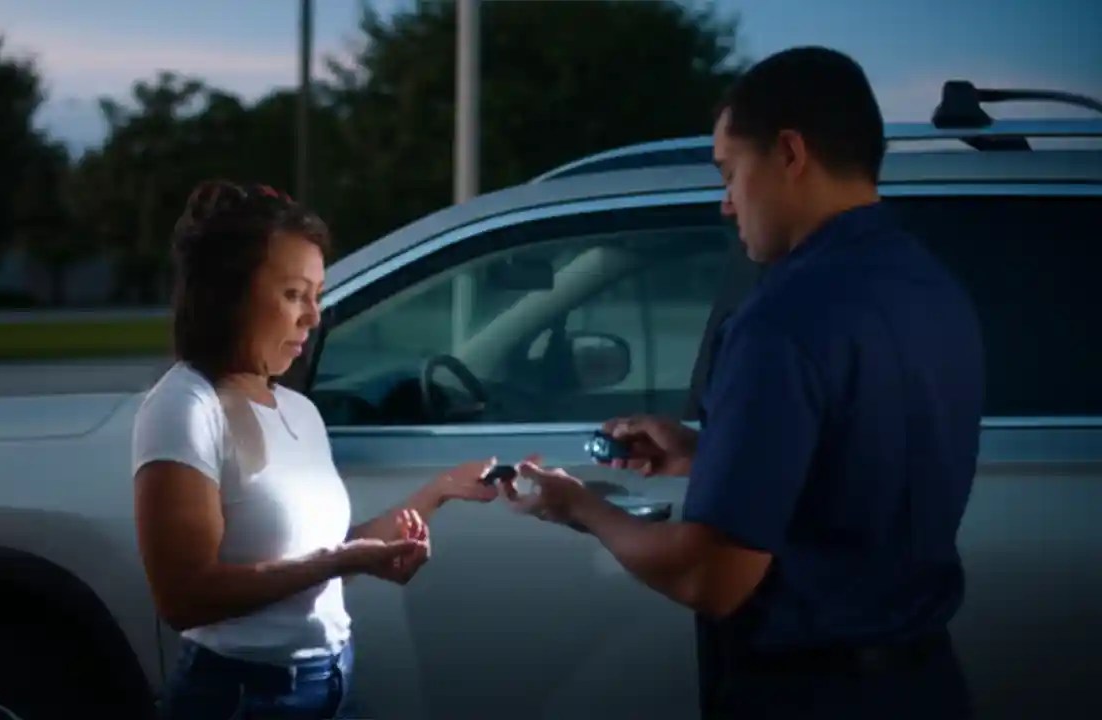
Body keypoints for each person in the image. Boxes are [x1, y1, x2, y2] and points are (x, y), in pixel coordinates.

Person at [506, 46, 983, 719]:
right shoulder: (936, 290)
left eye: (730, 173)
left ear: (789, 152)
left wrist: (579, 506)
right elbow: (864, 470)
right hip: (927, 683)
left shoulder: (781, 318)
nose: (727, 204)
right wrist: (712, 455)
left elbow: (711, 577)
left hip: (811, 696)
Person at [132, 179, 499, 720]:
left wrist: (438, 493)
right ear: (229, 293)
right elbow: (184, 598)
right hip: (241, 698)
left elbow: (320, 554)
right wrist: (340, 560)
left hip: (331, 685)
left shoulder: (297, 410)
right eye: (293, 294)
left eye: (317, 296)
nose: (313, 316)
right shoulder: (185, 407)